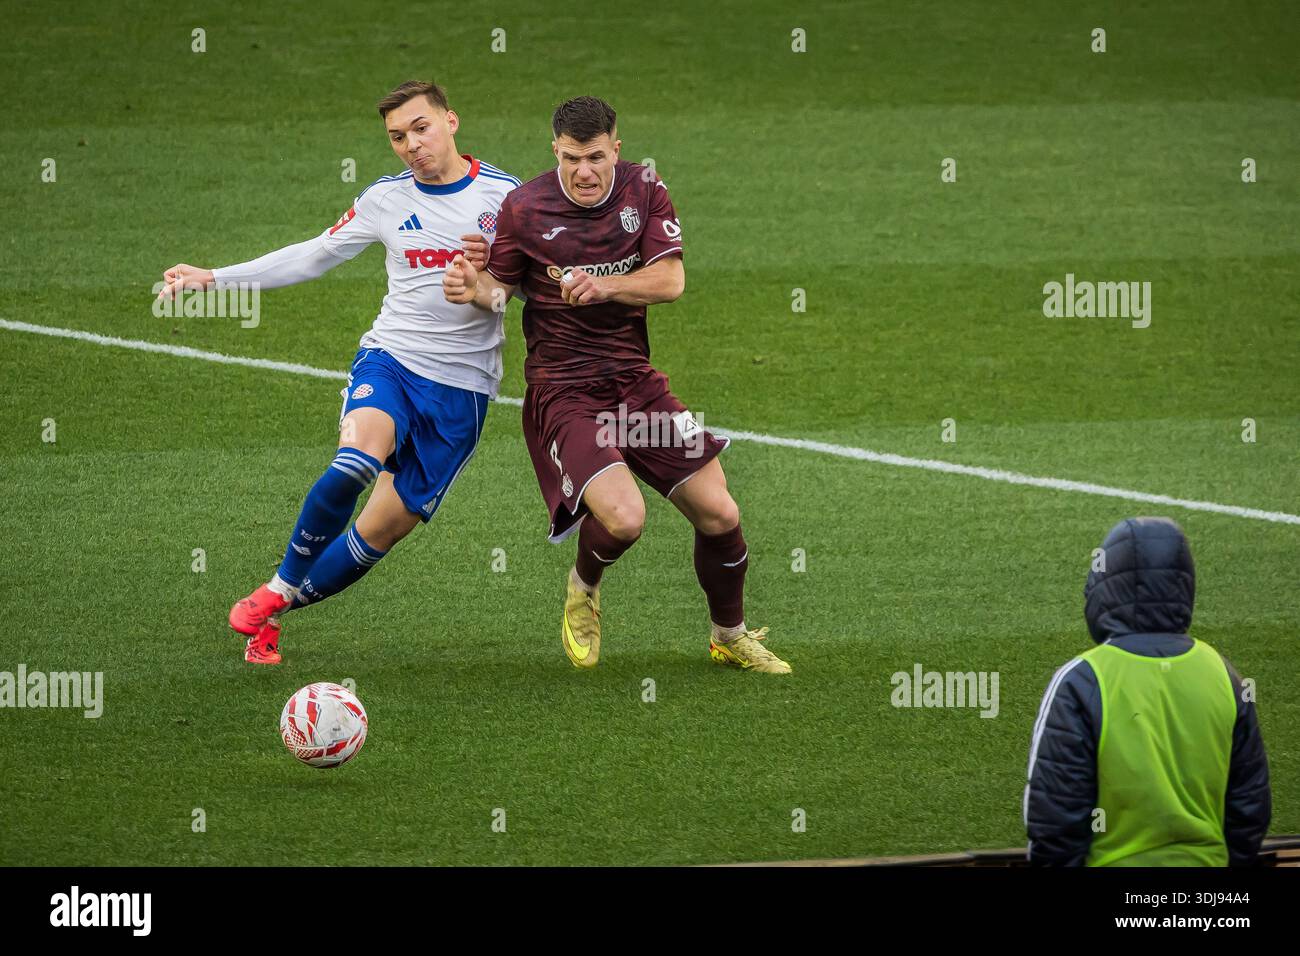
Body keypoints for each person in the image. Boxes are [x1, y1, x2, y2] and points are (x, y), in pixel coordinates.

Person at [157, 80, 518, 664]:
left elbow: (528, 290)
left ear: (452, 121)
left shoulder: (508, 199)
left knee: (375, 537)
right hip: (392, 360)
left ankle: (277, 612)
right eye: (397, 137)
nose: (411, 145)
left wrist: (485, 292)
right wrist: (216, 278)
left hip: (464, 389)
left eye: (421, 128)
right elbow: (316, 253)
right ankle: (278, 584)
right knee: (355, 461)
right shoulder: (385, 199)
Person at [444, 96, 790, 673]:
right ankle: (583, 586)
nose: (584, 171)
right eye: (572, 157)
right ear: (555, 148)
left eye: (596, 157)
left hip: (634, 383)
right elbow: (498, 291)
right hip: (565, 390)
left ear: (616, 149)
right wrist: (469, 287)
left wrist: (606, 287)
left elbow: (671, 280)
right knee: (626, 519)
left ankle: (728, 636)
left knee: (720, 514)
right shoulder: (524, 207)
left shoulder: (644, 188)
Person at [1025, 516, 1271, 865]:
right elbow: (1249, 810)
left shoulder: (1082, 680)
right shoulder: (1225, 675)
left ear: (1104, 586)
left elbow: (1055, 819)